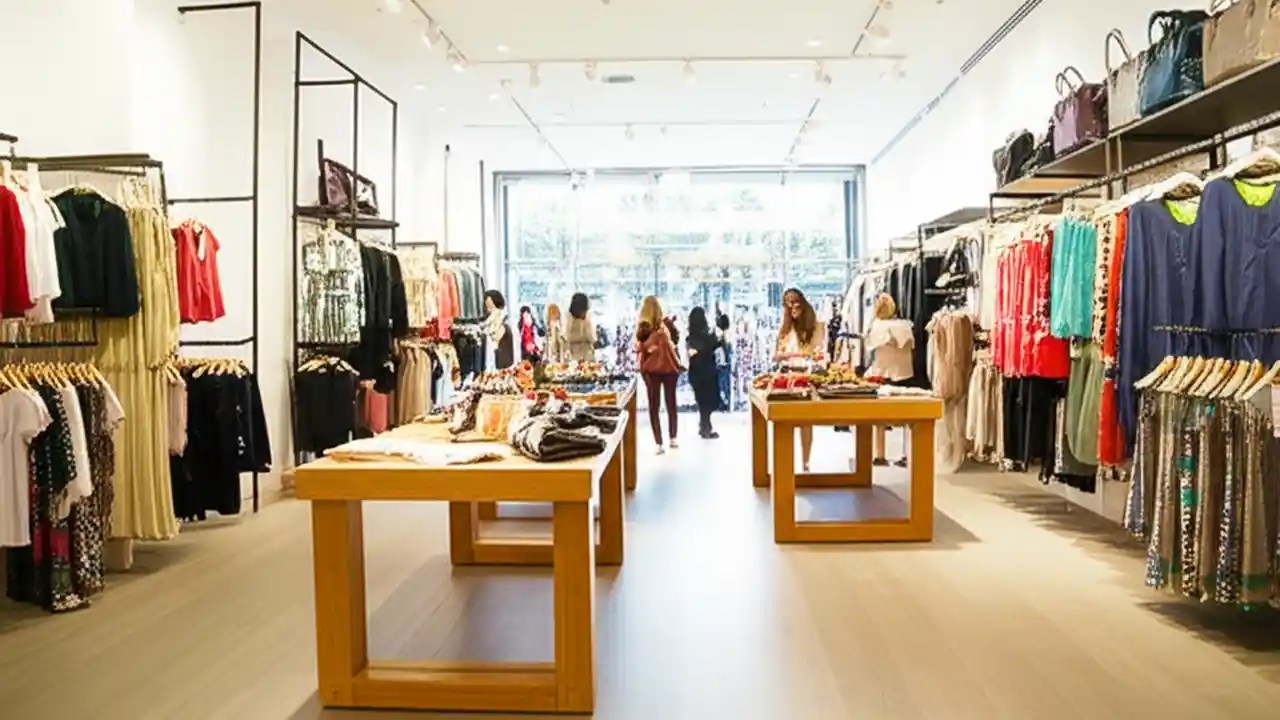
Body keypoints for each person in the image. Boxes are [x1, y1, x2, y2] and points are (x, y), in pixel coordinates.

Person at [774, 287, 826, 472]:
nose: (792, 306)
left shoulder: (816, 326)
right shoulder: (786, 328)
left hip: (806, 376)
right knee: (785, 421)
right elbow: (777, 354)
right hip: (786, 376)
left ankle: (805, 461)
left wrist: (803, 355)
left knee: (805, 421)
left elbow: (818, 353)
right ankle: (785, 464)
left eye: (795, 301)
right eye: (788, 302)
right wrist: (783, 355)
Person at [865, 293, 914, 467]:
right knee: (907, 417)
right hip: (902, 372)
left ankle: (880, 454)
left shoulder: (877, 326)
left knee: (879, 417)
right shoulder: (905, 325)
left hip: (882, 372)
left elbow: (871, 346)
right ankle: (906, 454)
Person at [636, 295, 681, 454]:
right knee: (671, 402)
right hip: (669, 368)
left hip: (652, 371)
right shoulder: (667, 324)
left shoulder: (644, 327)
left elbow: (640, 347)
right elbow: (676, 341)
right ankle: (673, 437)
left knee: (654, 405)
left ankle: (659, 443)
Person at [686, 307, 723, 439]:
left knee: (702, 402)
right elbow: (715, 345)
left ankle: (704, 426)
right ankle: (705, 428)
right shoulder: (707, 336)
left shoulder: (690, 337)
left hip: (696, 373)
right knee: (708, 402)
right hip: (707, 372)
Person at [483, 289, 515, 369]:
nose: (488, 310)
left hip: (502, 369)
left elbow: (495, 340)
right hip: (492, 367)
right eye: (486, 307)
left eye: (490, 306)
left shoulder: (501, 325)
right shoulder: (486, 324)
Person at [565, 292, 597, 362]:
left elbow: (592, 338)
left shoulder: (588, 318)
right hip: (575, 357)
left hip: (585, 357)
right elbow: (592, 338)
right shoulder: (568, 320)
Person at [715, 310, 733, 411]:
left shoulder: (723, 335)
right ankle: (725, 402)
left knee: (722, 384)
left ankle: (723, 403)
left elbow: (725, 348)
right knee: (725, 384)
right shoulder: (728, 334)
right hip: (725, 363)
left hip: (722, 363)